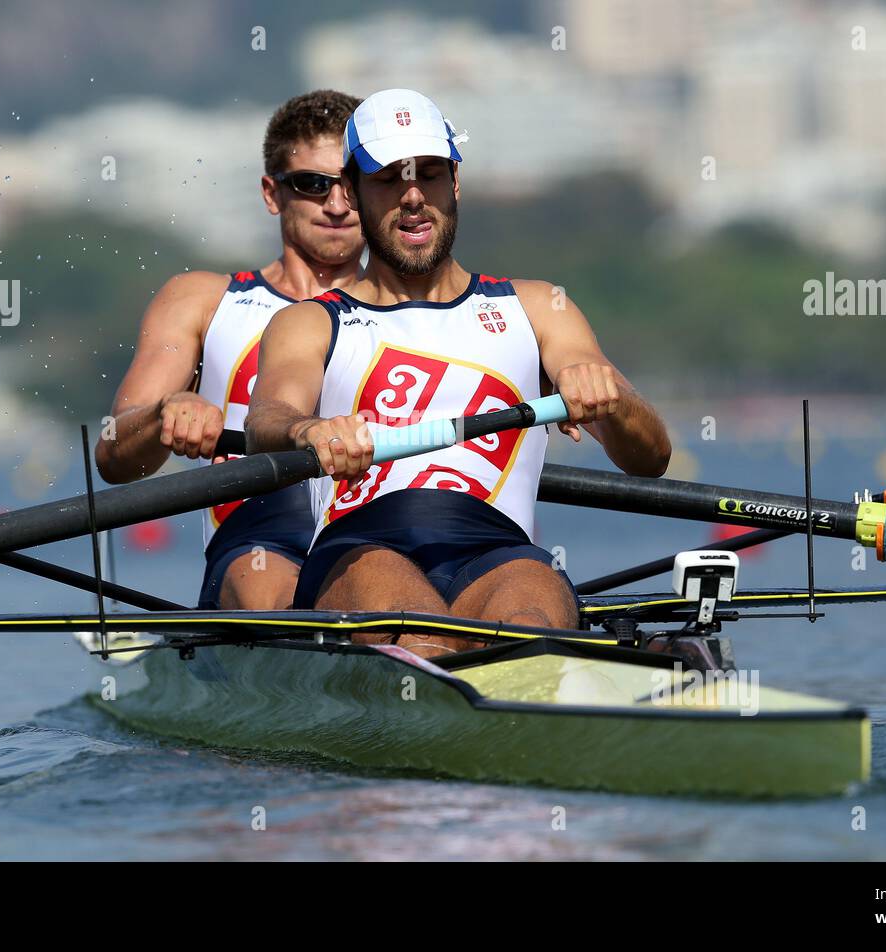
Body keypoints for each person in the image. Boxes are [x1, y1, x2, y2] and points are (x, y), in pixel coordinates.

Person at [245, 88, 671, 656]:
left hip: (494, 548)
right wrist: (307, 431)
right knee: (419, 631)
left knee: (532, 620)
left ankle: (525, 703)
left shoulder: (540, 307)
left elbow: (650, 458)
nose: (413, 196)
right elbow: (266, 417)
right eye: (388, 178)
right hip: (359, 547)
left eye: (430, 174)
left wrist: (611, 399)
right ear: (351, 191)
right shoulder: (311, 323)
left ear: (456, 182)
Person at [95, 89, 364, 609]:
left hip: (380, 541)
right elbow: (114, 456)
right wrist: (165, 413)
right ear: (271, 193)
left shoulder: (418, 308)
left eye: (353, 184)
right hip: (257, 552)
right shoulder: (201, 301)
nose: (337, 205)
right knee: (269, 583)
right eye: (313, 184)